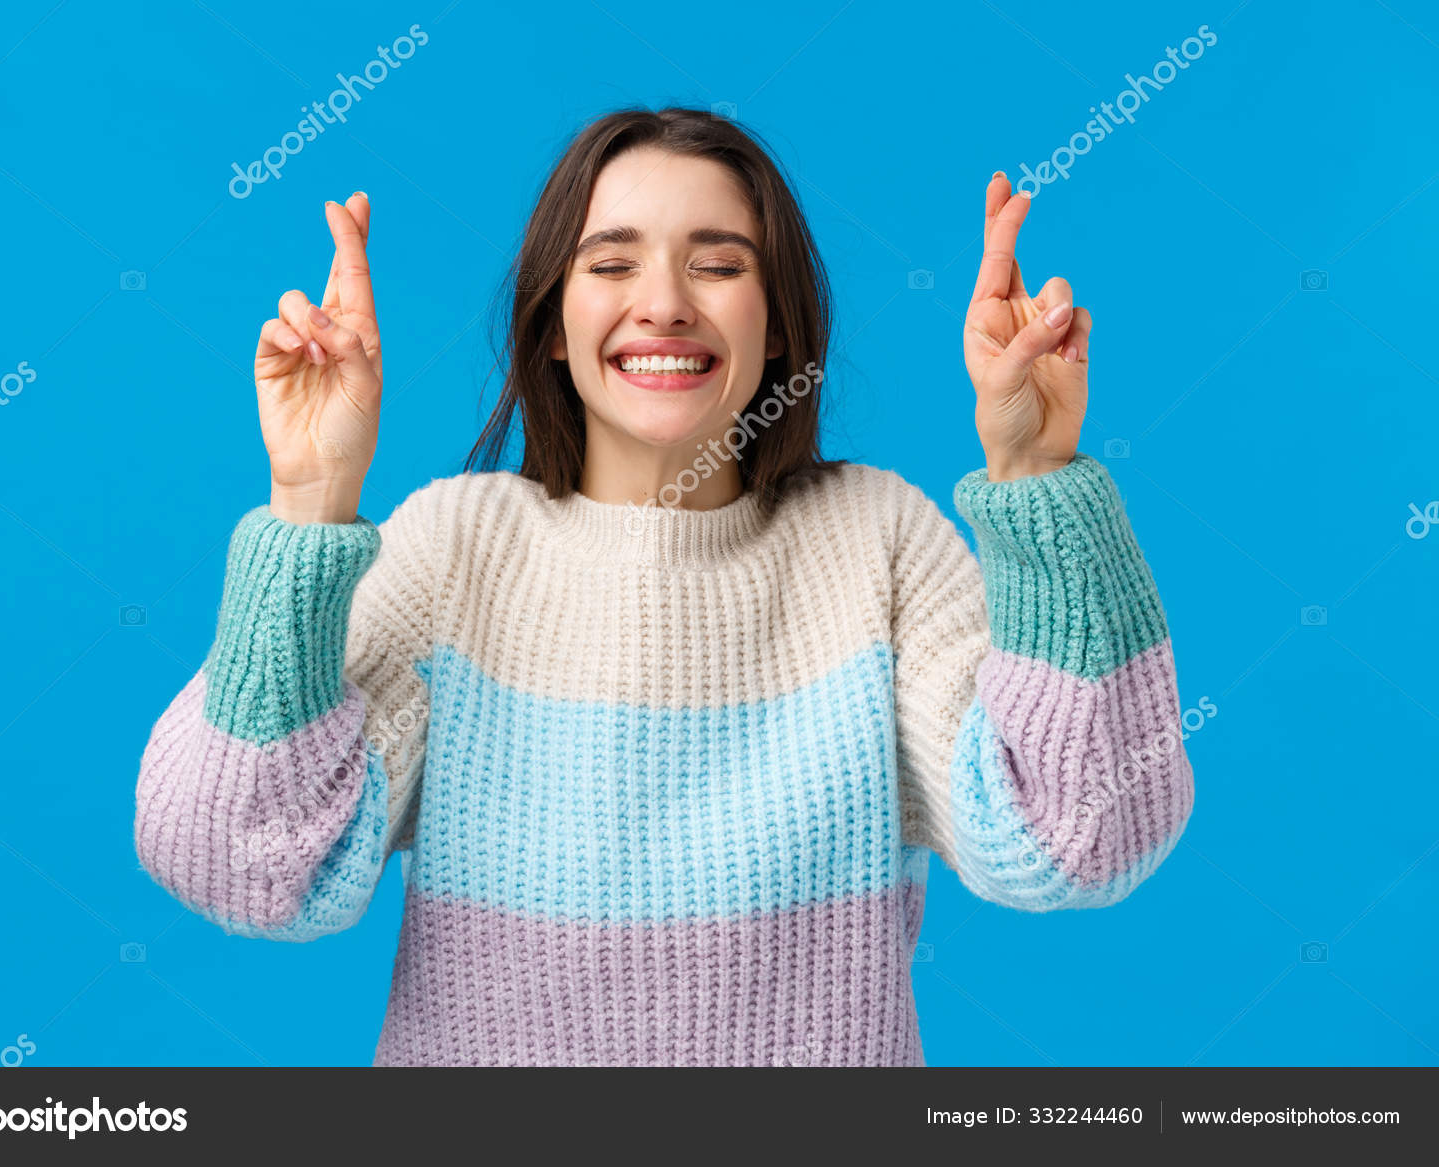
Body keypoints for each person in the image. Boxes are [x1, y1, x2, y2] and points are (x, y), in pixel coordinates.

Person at [133, 106, 1194, 1067]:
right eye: (610, 264)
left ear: (776, 322)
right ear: (552, 321)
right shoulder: (454, 551)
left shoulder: (878, 541)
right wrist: (310, 502)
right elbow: (239, 867)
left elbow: (1084, 839)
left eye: (718, 265)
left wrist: (1039, 478)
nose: (663, 306)